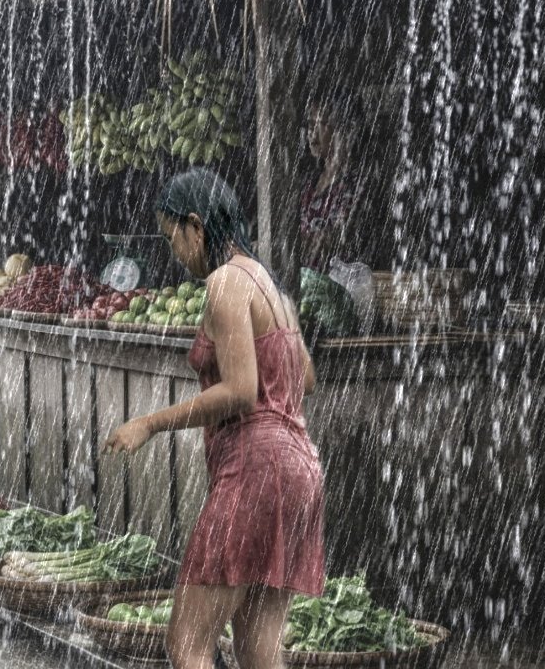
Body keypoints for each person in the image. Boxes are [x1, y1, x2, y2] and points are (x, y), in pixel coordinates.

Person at [105, 168, 325, 669]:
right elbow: (304, 378)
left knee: (188, 643)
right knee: (258, 651)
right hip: (298, 470)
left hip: (256, 469)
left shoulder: (225, 281)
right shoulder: (272, 285)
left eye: (171, 237)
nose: (173, 251)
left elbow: (242, 392)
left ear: (196, 227)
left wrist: (150, 422)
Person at [300, 93, 364, 272]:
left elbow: (339, 238)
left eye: (317, 124)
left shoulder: (356, 184)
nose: (310, 133)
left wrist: (287, 243)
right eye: (309, 125)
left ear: (341, 128)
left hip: (336, 285)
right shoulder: (308, 183)